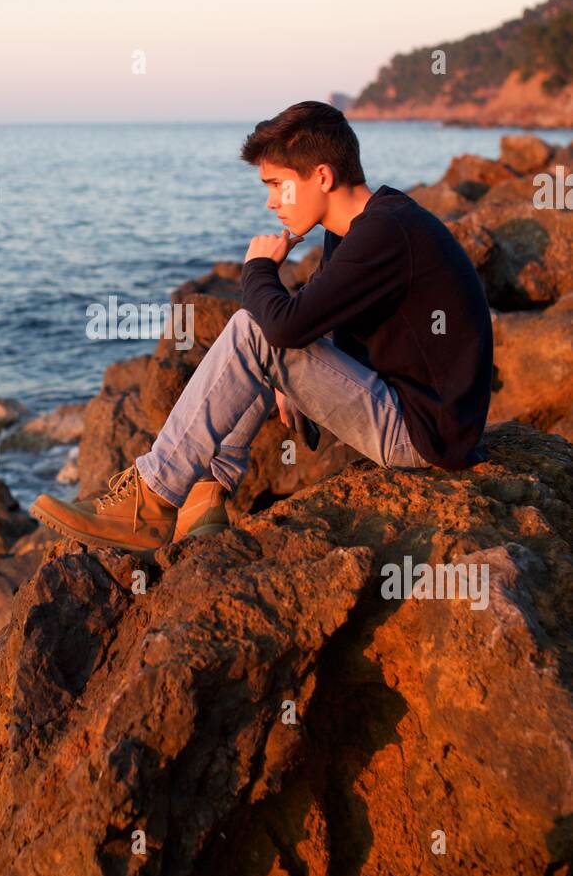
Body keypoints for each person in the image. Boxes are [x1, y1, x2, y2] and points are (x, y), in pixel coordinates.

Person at [30, 101, 494, 557]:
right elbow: (310, 323)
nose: (271, 202)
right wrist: (290, 376)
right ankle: (204, 496)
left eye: (278, 185)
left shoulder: (386, 234)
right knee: (264, 338)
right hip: (414, 415)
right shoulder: (363, 227)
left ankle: (153, 499)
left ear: (323, 176)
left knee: (253, 330)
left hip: (424, 438)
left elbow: (283, 326)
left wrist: (258, 269)